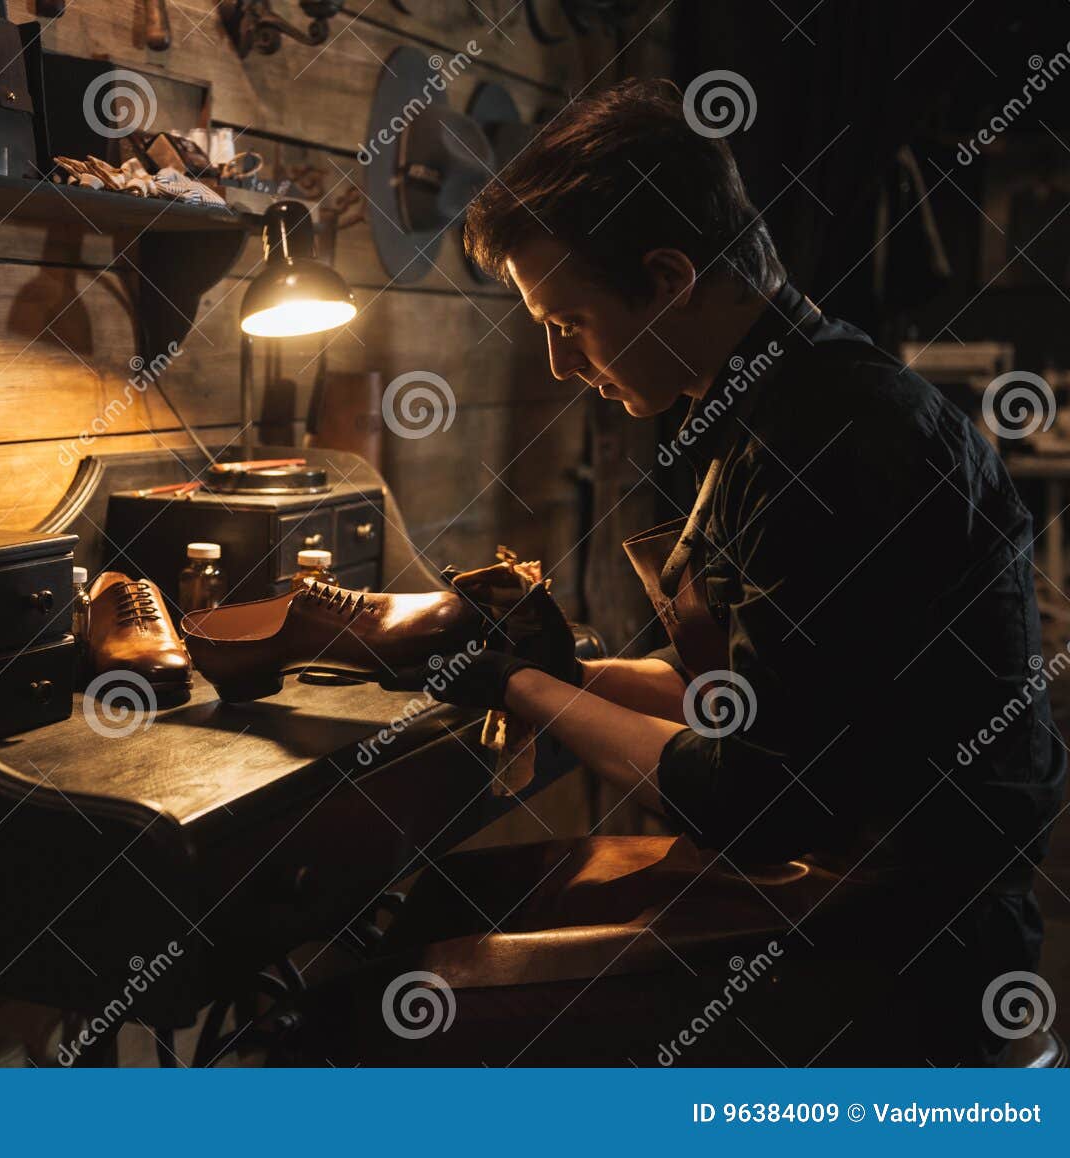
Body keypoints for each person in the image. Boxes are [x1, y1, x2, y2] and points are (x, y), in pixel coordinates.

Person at [408, 78, 1066, 1064]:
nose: (556, 363)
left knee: (407, 991)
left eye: (568, 322)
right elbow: (779, 702)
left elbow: (752, 795)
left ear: (669, 276)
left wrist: (520, 684)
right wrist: (575, 674)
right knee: (450, 903)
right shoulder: (780, 398)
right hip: (841, 885)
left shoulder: (827, 441)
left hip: (893, 954)